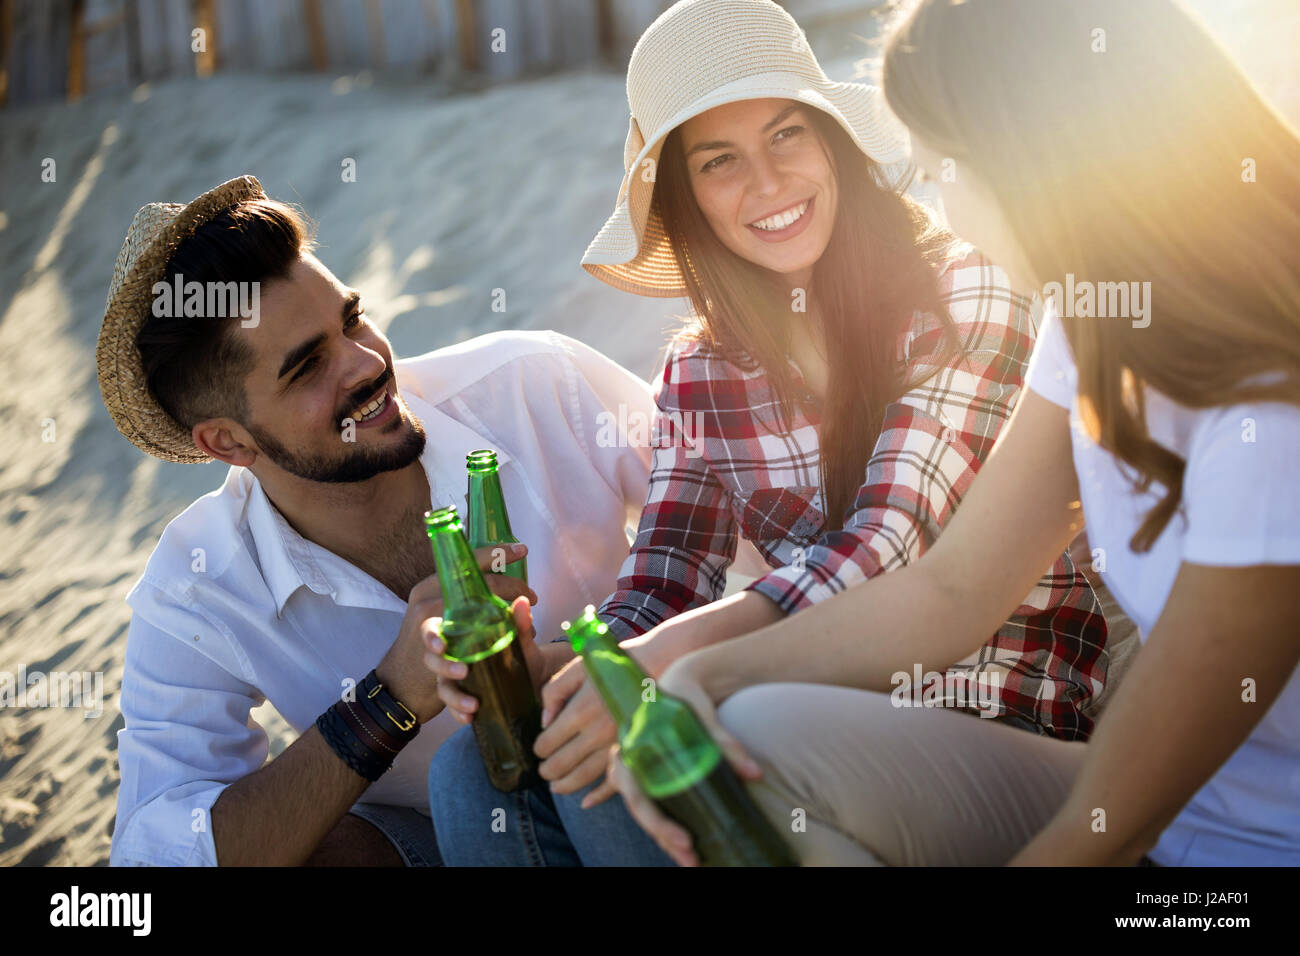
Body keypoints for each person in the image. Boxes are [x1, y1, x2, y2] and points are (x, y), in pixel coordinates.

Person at [609, 0, 1300, 866]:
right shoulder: (1087, 329)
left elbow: (1115, 825)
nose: (946, 214)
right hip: (1167, 819)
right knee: (734, 728)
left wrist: (693, 662)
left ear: (1034, 162)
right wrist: (699, 675)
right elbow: (953, 589)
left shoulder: (1270, 422)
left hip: (1222, 862)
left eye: (944, 172)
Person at [425, 0, 1114, 866]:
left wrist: (657, 664)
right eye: (720, 161)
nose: (768, 182)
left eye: (788, 134)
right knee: (471, 773)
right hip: (794, 690)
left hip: (996, 706)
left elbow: (889, 547)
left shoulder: (961, 292)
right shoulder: (698, 374)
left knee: (643, 747)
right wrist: (544, 664)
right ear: (685, 198)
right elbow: (659, 591)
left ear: (833, 141)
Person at [101, 176, 659, 865]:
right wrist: (385, 701)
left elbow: (744, 529)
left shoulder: (535, 382)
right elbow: (150, 856)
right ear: (229, 443)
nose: (367, 364)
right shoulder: (197, 582)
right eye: (307, 367)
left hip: (645, 746)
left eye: (352, 320)